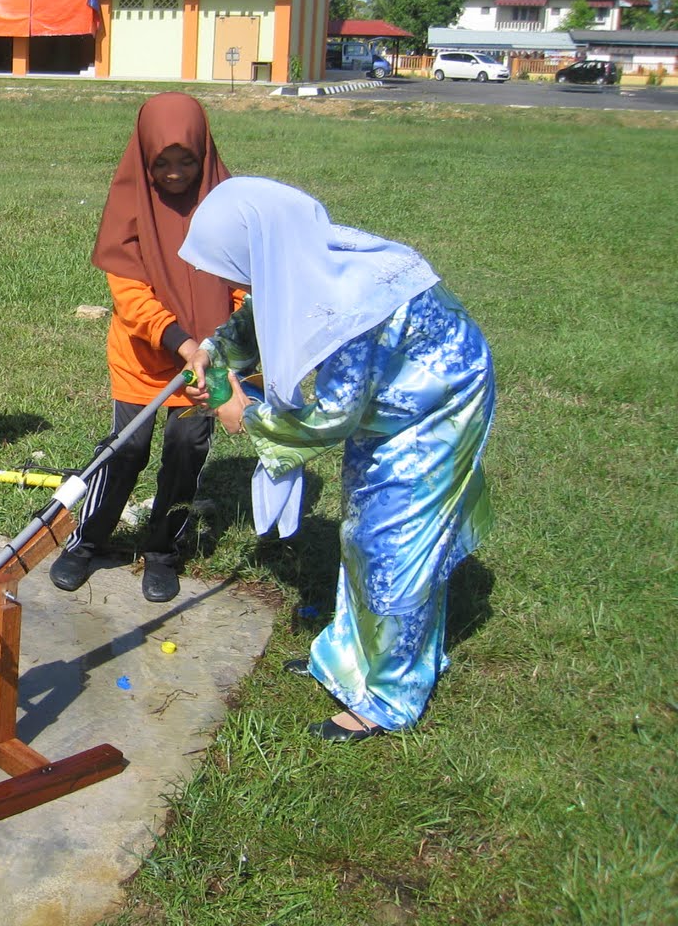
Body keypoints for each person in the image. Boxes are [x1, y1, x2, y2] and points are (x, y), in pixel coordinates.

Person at [179, 176, 495, 742]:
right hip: (394, 400)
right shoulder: (303, 257)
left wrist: (243, 415)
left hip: (439, 407)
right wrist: (213, 349)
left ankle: (393, 696)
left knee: (396, 544)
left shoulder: (351, 299)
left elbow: (331, 416)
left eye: (232, 264)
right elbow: (261, 315)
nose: (229, 278)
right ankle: (349, 661)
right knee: (361, 530)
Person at [52, 93, 241, 603]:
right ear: (143, 159)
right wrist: (181, 342)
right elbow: (131, 297)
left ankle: (163, 550)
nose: (175, 173)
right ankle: (87, 540)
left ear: (205, 155)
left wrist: (221, 343)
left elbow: (245, 287)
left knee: (186, 451)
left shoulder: (228, 207)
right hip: (145, 355)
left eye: (187, 161)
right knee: (126, 448)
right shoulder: (129, 205)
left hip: (208, 360)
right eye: (162, 163)